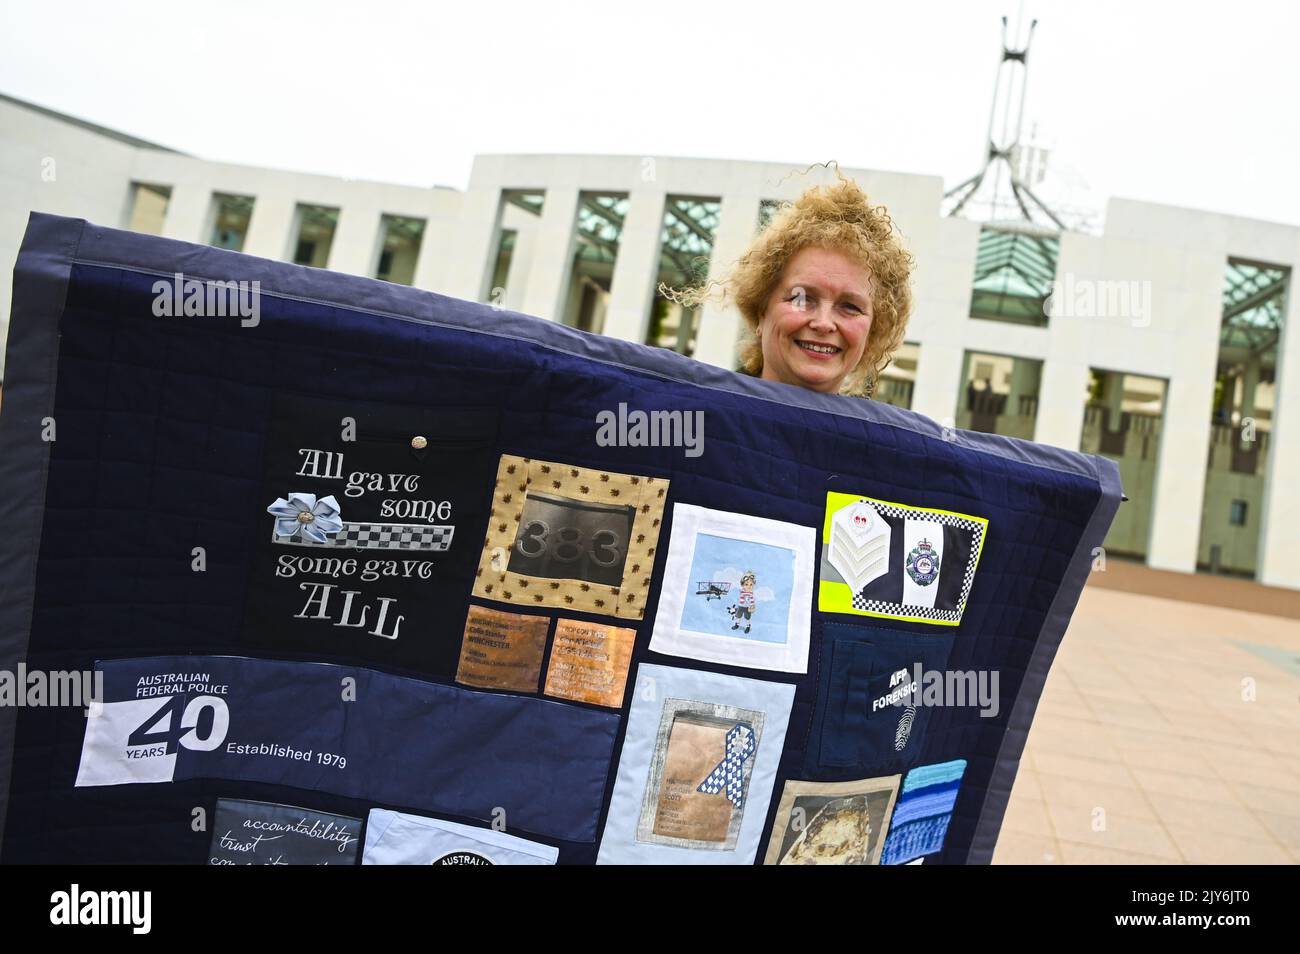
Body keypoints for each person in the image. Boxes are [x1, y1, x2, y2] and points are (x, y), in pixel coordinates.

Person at [668, 168, 915, 397]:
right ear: (761, 311)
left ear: (871, 334)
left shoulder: (879, 444)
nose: (823, 323)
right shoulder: (687, 421)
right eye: (802, 298)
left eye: (850, 307)